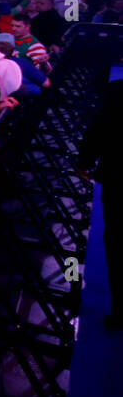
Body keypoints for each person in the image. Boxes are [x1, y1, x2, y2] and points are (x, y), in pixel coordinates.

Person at [77, 77, 123, 328]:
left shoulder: (117, 91)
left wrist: (84, 161)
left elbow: (100, 128)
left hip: (118, 177)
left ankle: (120, 308)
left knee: (117, 241)